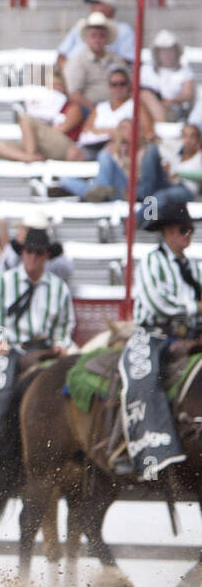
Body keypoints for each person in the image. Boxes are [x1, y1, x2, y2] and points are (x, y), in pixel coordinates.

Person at [0, 226, 75, 484]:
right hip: (9, 349)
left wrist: (60, 342)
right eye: (28, 252)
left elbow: (65, 325)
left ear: (47, 256)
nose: (32, 258)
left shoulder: (59, 288)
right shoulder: (3, 282)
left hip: (44, 350)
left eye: (38, 253)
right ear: (22, 253)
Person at [120, 198, 195, 481]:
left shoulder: (193, 267)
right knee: (143, 378)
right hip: (153, 335)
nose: (187, 234)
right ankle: (147, 450)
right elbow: (159, 303)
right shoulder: (152, 261)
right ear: (166, 232)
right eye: (181, 229)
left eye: (190, 230)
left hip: (188, 334)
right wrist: (196, 309)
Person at [0, 82, 84, 163]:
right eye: (52, 86)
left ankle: (30, 155)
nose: (55, 89)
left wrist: (40, 121)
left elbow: (60, 130)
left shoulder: (72, 107)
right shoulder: (39, 106)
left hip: (62, 147)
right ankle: (29, 157)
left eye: (58, 85)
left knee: (25, 118)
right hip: (38, 147)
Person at [55, 0, 135, 77]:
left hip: (101, 75)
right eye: (92, 4)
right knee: (45, 79)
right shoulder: (81, 25)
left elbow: (127, 60)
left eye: (97, 3)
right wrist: (68, 70)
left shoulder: (124, 29)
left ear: (110, 7)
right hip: (71, 72)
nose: (92, 6)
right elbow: (62, 54)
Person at [144, 30, 194, 122]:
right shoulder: (147, 71)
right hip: (147, 110)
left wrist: (171, 101)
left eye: (170, 51)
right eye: (163, 51)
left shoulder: (184, 71)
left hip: (173, 111)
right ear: (157, 53)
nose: (167, 55)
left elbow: (188, 94)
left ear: (177, 52)